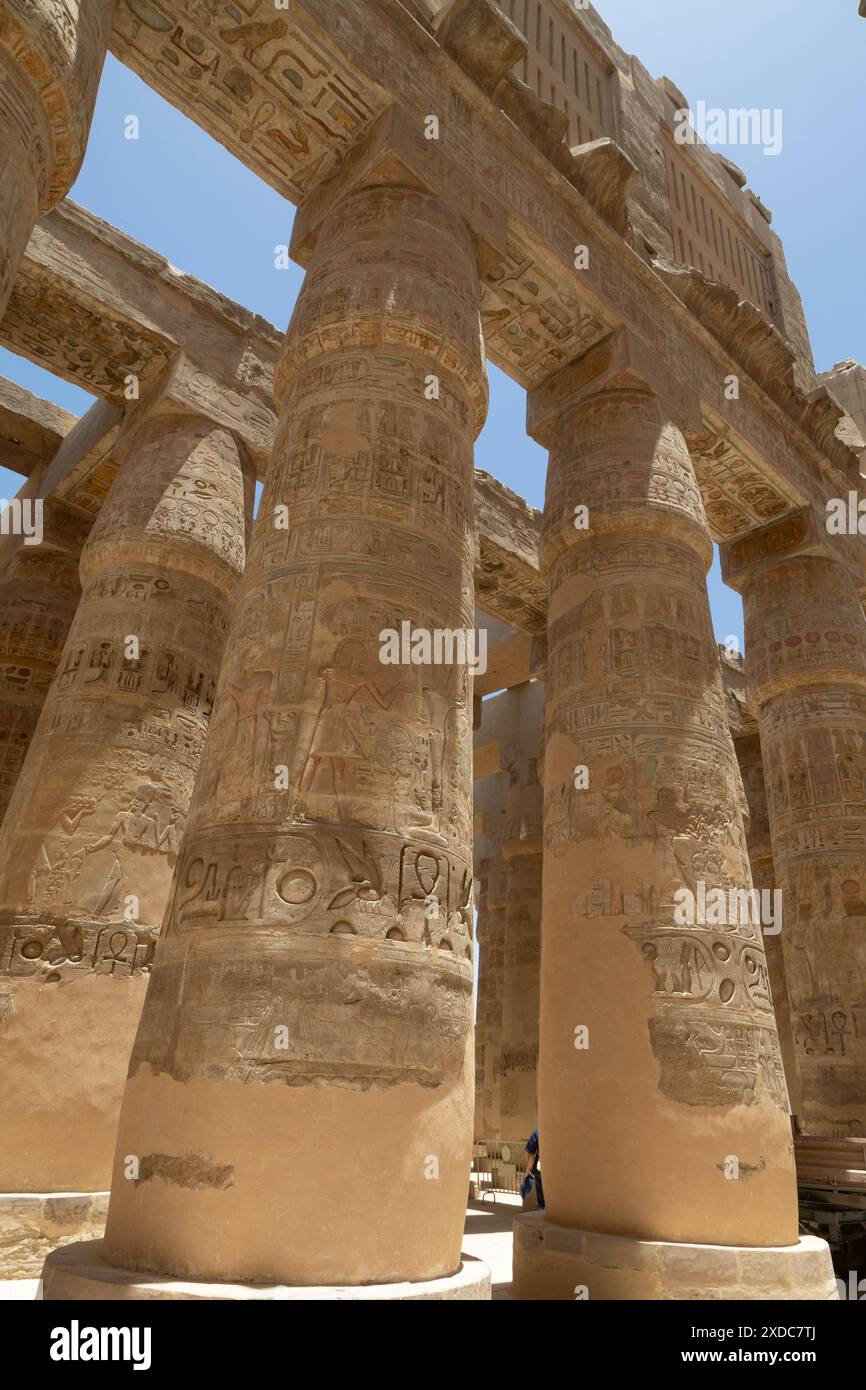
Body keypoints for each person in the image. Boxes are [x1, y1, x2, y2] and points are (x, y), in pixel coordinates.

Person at [522, 1126, 544, 1210]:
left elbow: (531, 1153)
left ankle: (543, 1211)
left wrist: (528, 1168)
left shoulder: (537, 1132)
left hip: (540, 1168)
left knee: (541, 1196)